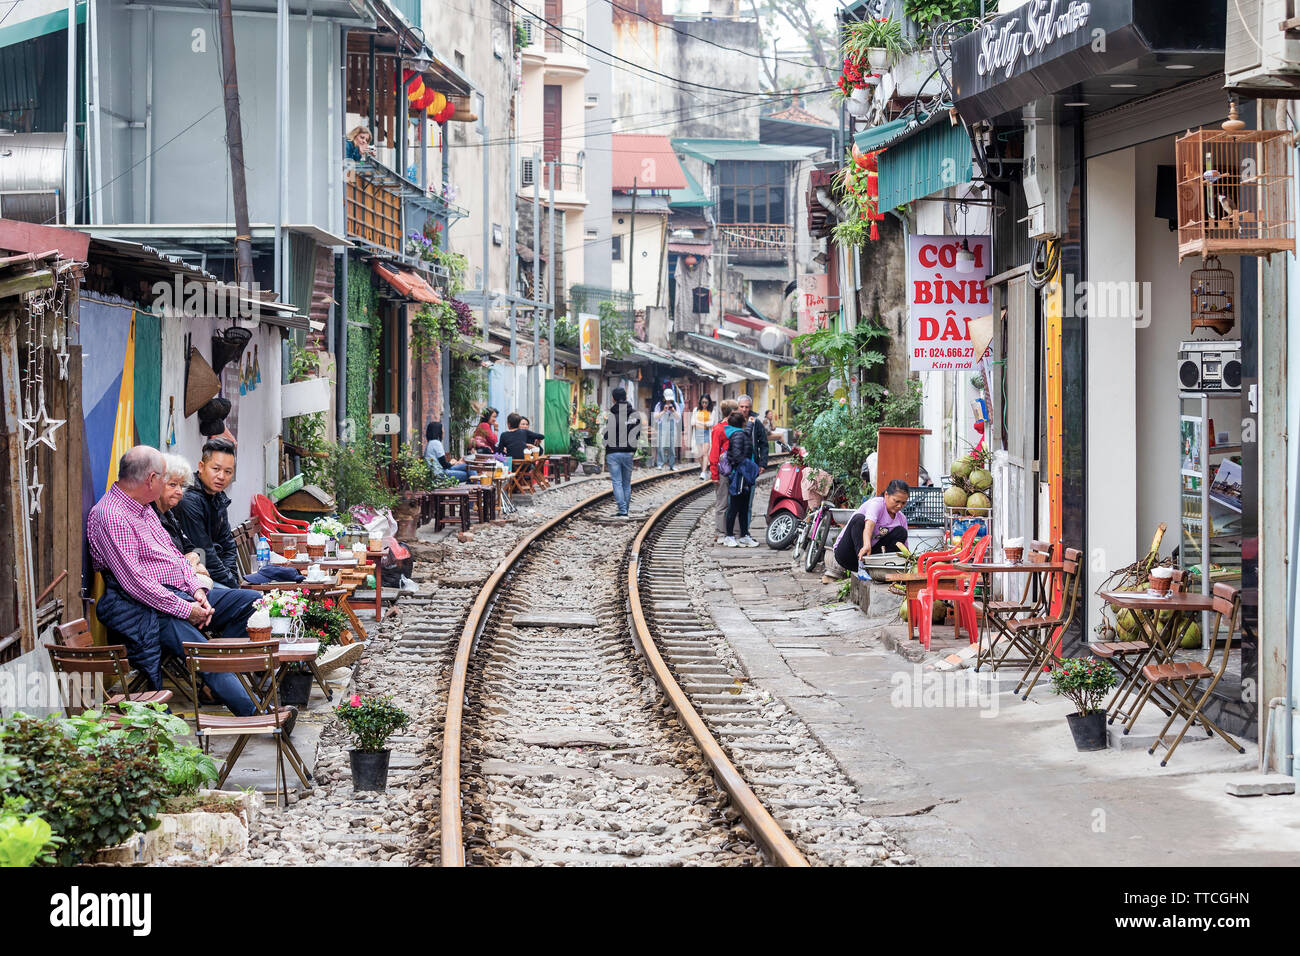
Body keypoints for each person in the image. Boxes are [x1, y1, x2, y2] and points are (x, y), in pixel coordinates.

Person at [87, 446, 262, 718]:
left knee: (253, 603)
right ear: (151, 480)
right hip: (144, 607)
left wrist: (198, 591)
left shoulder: (143, 509)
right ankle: (253, 711)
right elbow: (135, 583)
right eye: (165, 479)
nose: (172, 486)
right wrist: (186, 609)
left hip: (182, 594)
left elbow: (177, 557)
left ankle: (215, 681)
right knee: (201, 650)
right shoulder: (112, 515)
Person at [175, 437, 241, 589]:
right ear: (201, 466)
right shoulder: (188, 500)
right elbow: (204, 552)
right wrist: (232, 585)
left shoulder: (217, 496)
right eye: (216, 469)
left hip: (217, 574)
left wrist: (231, 577)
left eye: (228, 471)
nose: (221, 476)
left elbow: (228, 544)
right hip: (195, 576)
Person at [154, 454, 214, 593]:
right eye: (173, 485)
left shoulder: (169, 514)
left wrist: (193, 559)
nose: (179, 492)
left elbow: (191, 549)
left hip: (188, 584)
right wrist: (191, 565)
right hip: (172, 591)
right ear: (156, 484)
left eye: (182, 486)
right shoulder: (151, 517)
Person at [833, 479, 911, 573]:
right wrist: (866, 545)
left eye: (903, 503)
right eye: (896, 501)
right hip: (847, 554)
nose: (899, 506)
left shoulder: (901, 518)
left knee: (901, 532)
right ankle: (861, 564)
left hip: (870, 559)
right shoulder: (877, 504)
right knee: (859, 519)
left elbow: (904, 547)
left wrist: (910, 561)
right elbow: (869, 525)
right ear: (886, 495)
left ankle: (882, 568)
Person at [723, 412, 760, 547]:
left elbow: (746, 433)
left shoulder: (739, 433)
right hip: (740, 475)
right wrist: (752, 467)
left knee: (743, 507)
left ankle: (744, 535)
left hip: (744, 475)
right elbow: (737, 456)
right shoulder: (738, 435)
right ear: (741, 423)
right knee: (734, 507)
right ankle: (729, 536)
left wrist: (751, 422)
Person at [603, 386, 641, 518]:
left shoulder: (612, 414)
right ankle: (625, 510)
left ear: (613, 399)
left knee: (617, 482)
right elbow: (637, 434)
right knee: (626, 483)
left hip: (613, 453)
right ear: (625, 397)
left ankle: (622, 510)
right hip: (628, 453)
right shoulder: (634, 414)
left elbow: (607, 434)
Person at [707, 399, 737, 544]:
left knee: (725, 502)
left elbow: (714, 453)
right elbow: (714, 453)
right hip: (725, 471)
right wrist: (714, 474)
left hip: (729, 470)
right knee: (723, 502)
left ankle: (727, 532)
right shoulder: (719, 429)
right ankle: (720, 532)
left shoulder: (722, 428)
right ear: (731, 412)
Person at [653, 394, 682, 469]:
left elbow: (678, 418)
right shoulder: (659, 405)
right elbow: (655, 417)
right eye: (667, 400)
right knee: (660, 445)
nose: (668, 402)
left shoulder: (675, 405)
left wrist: (673, 411)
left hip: (672, 426)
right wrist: (663, 410)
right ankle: (660, 464)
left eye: (670, 400)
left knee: (672, 446)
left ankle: (672, 465)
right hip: (662, 425)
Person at [692, 396, 714, 479]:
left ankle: (704, 472)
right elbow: (692, 422)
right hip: (698, 433)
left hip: (706, 433)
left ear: (709, 403)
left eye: (706, 402)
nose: (704, 404)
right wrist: (704, 423)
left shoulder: (711, 411)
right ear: (700, 402)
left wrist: (700, 423)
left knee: (705, 453)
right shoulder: (696, 410)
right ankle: (703, 470)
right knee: (699, 454)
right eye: (703, 402)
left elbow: (711, 423)